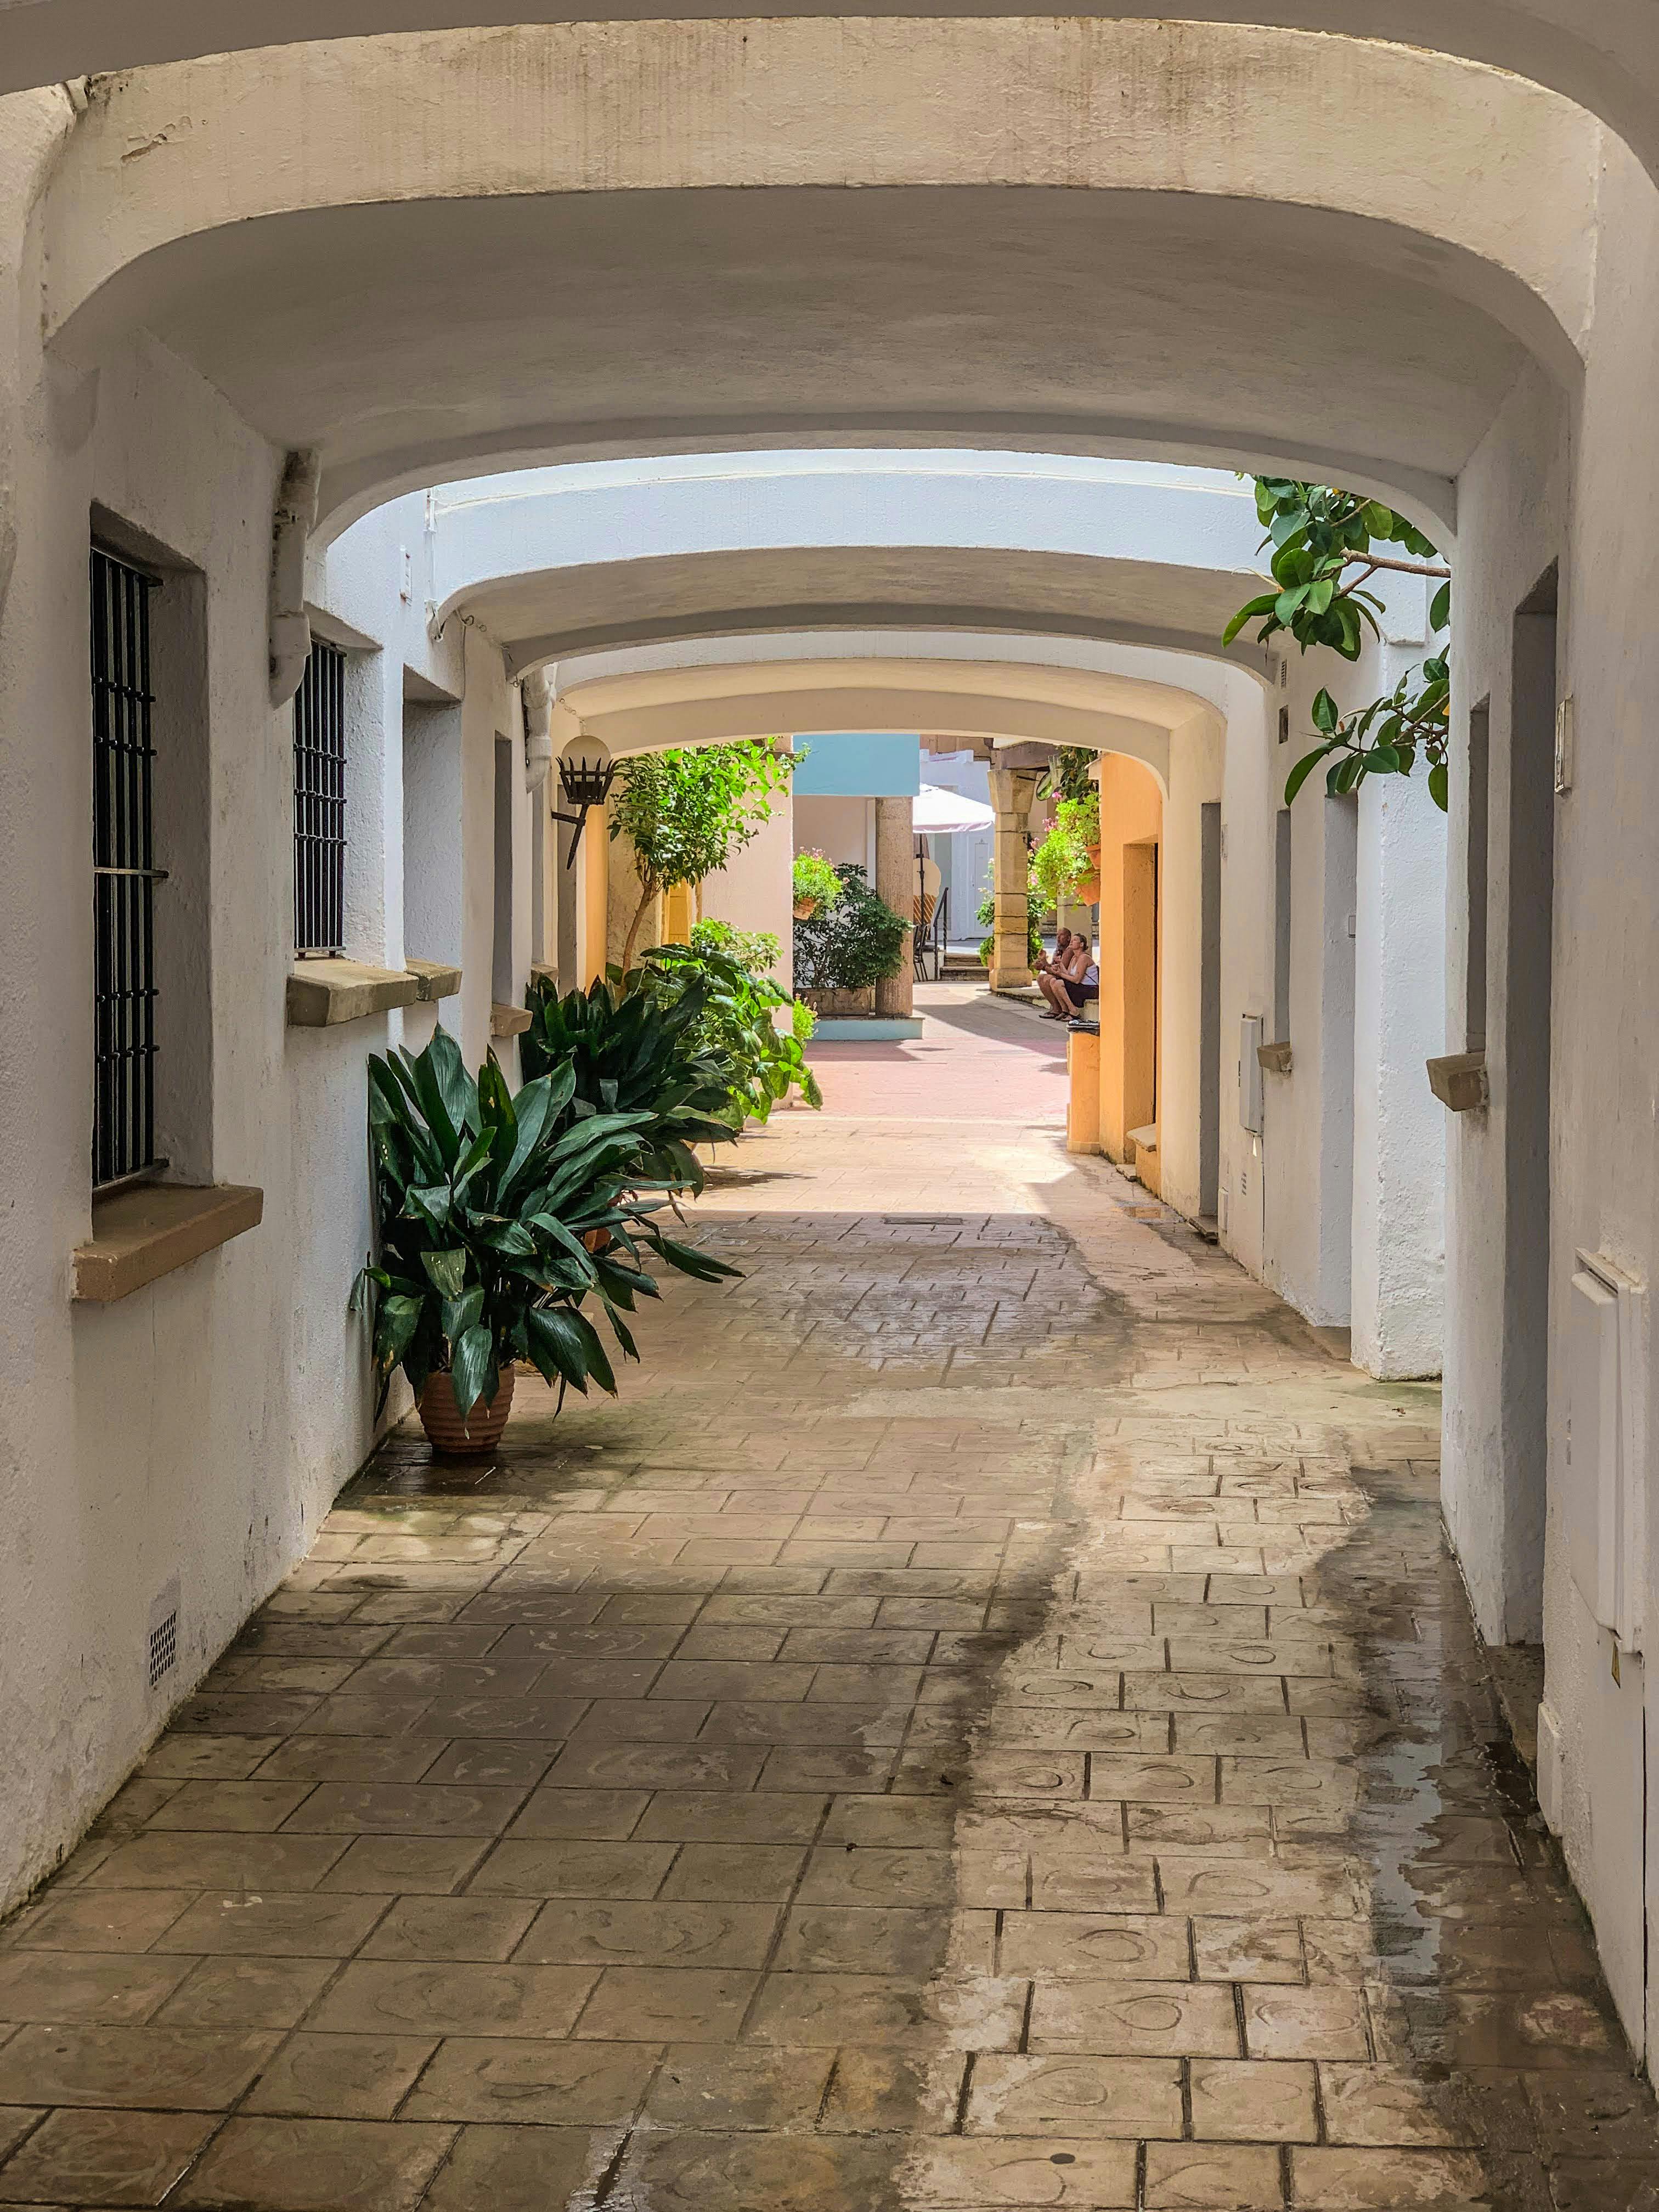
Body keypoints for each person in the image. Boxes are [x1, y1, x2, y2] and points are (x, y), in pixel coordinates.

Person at [1035, 929, 1075, 1019]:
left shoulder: (1069, 951)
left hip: (1068, 978)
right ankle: (1055, 1007)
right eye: (1057, 935)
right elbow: (1052, 967)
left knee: (1049, 979)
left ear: (1069, 938)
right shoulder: (1059, 950)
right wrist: (1043, 960)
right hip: (1060, 976)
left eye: (1061, 936)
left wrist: (1044, 967)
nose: (1058, 938)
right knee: (1041, 978)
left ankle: (1058, 1009)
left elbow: (1058, 971)